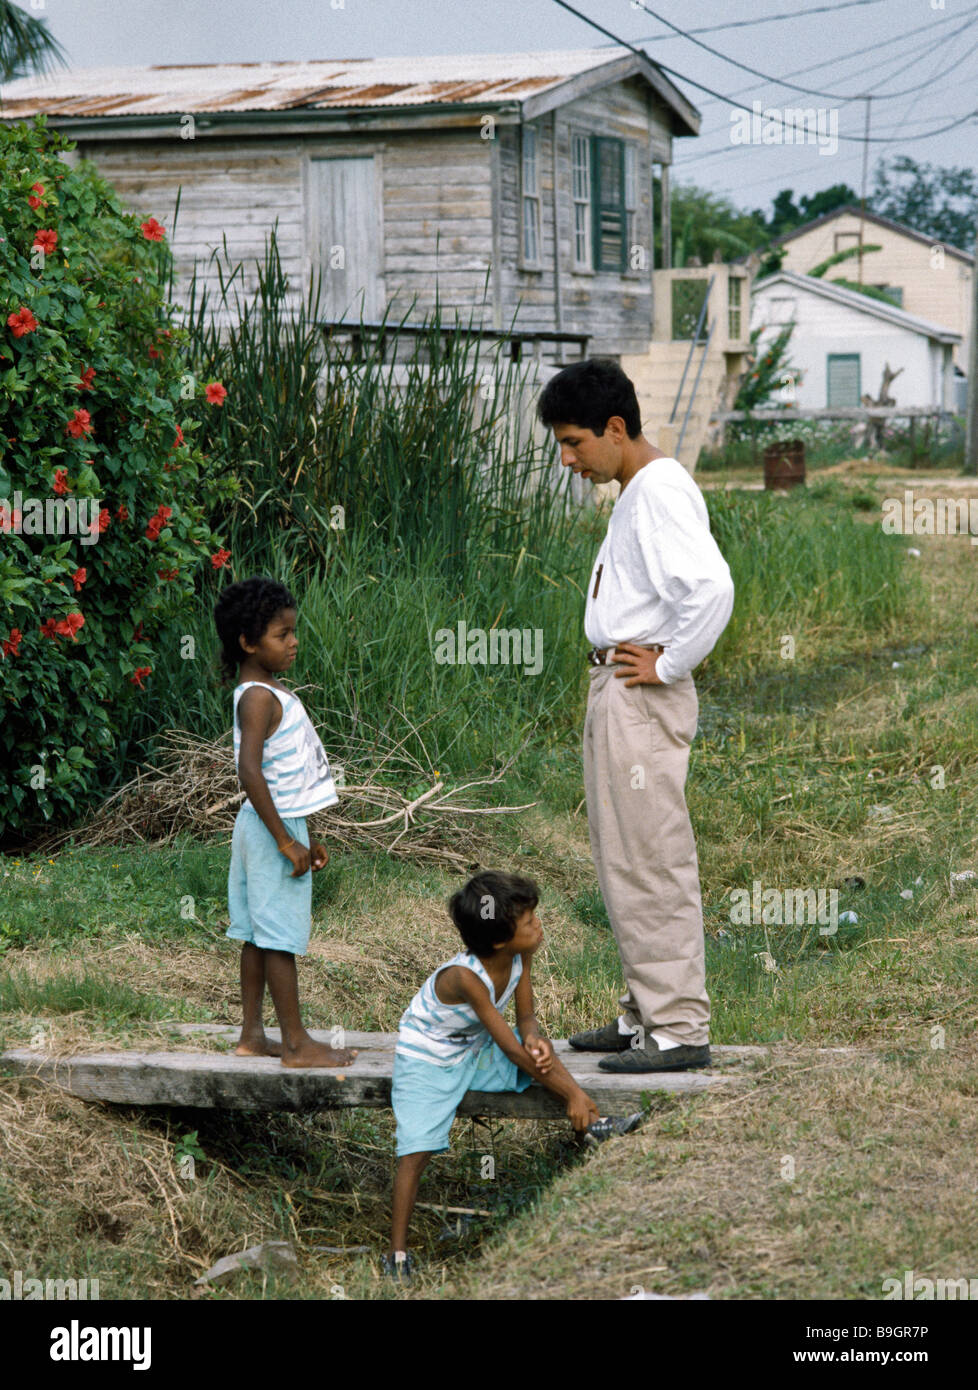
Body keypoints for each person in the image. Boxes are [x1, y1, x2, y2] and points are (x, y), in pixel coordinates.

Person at [536, 358, 734, 1075]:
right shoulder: (638, 489)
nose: (568, 460)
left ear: (616, 429)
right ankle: (643, 1013)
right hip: (619, 689)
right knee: (623, 853)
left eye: (574, 442)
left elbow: (711, 589)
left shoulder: (657, 491)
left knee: (650, 856)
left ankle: (677, 1030)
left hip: (639, 692)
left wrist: (669, 664)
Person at [385, 870, 640, 1279]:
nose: (539, 925)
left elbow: (524, 1018)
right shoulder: (465, 977)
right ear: (501, 939)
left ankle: (592, 1126)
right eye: (530, 922)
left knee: (539, 1058)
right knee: (417, 1148)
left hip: (472, 1045)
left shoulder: (520, 954)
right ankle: (397, 1254)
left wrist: (536, 1037)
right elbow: (507, 1048)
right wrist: (567, 1087)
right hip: (427, 1058)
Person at [213, 576, 356, 1069]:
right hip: (269, 829)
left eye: (294, 631)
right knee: (278, 937)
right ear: (248, 643)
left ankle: (253, 1034)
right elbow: (249, 771)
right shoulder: (257, 696)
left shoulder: (268, 691)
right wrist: (284, 841)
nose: (293, 642)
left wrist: (305, 838)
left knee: (257, 932)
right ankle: (295, 1043)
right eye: (281, 634)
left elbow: (285, 779)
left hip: (270, 824)